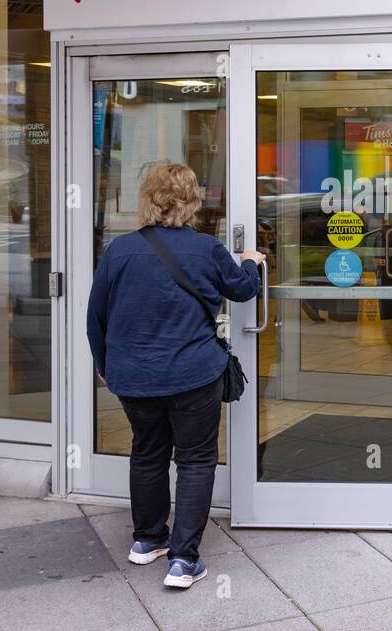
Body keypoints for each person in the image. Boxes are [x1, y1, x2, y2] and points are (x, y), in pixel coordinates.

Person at [86, 161, 262, 589]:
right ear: (192, 202)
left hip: (134, 376)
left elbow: (96, 317)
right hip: (192, 374)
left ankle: (147, 540)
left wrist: (105, 367)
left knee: (147, 453)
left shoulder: (119, 251)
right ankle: (184, 561)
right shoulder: (206, 249)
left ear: (147, 200)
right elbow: (242, 289)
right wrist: (252, 262)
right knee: (195, 459)